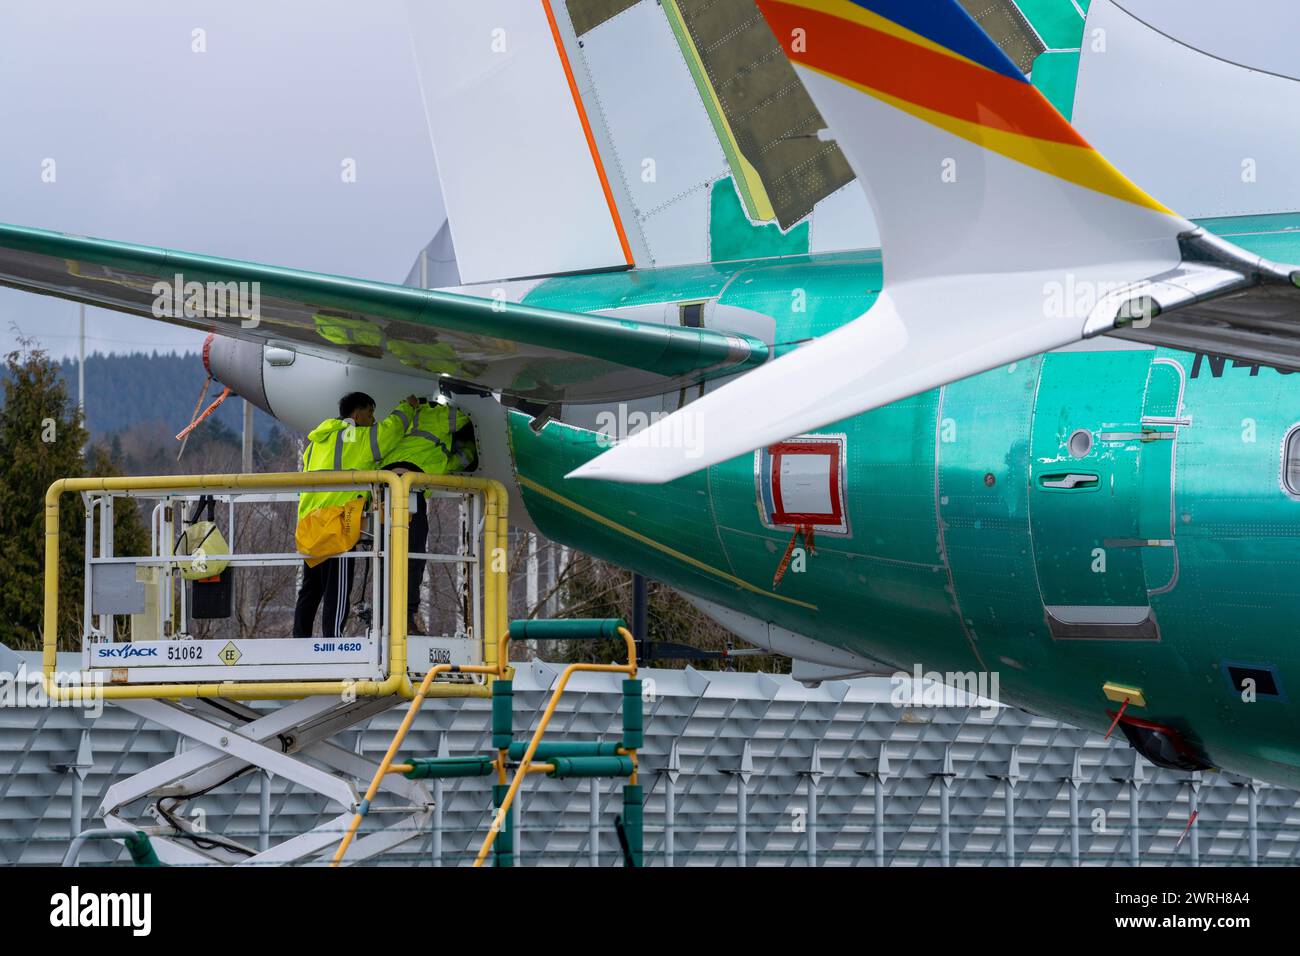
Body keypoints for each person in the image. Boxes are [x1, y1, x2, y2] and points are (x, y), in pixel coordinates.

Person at [293, 391, 420, 638]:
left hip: (310, 524)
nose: (373, 419)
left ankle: (300, 640)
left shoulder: (316, 442)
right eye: (370, 412)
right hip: (338, 522)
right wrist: (407, 407)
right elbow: (389, 432)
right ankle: (333, 642)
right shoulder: (360, 437)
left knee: (311, 588)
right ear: (357, 413)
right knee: (337, 587)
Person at [380, 397, 476, 635]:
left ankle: (386, 617)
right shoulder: (440, 415)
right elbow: (471, 415)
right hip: (408, 488)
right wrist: (470, 450)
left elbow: (441, 461)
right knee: (412, 556)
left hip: (384, 487)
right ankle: (405, 618)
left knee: (386, 555)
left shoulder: (407, 419)